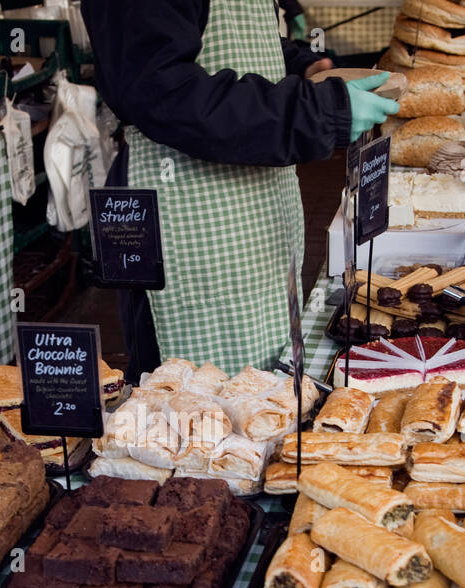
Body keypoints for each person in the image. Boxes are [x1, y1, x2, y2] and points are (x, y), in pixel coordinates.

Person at [83, 0, 398, 377]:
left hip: (249, 210)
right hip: (186, 208)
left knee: (261, 388)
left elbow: (218, 39)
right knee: (189, 407)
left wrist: (299, 64)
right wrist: (317, 112)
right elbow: (161, 88)